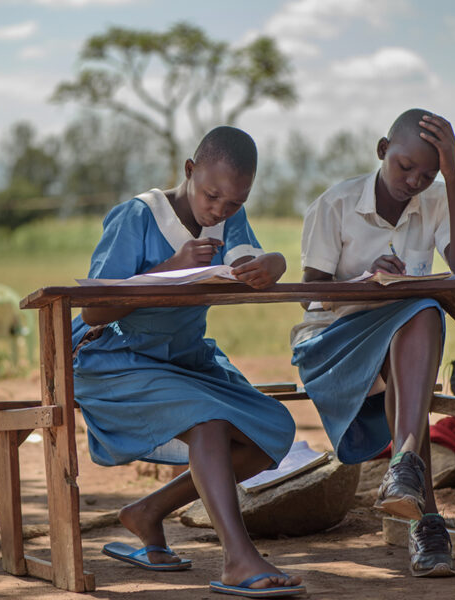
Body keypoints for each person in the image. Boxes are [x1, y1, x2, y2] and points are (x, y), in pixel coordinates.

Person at [73, 126, 305, 598]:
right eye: (211, 195)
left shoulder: (228, 221)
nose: (219, 209)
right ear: (189, 170)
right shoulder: (137, 216)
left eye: (235, 203)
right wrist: (166, 271)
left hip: (185, 362)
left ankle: (147, 512)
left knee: (270, 433)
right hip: (114, 357)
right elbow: (94, 310)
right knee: (209, 420)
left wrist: (274, 263)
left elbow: (248, 257)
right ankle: (238, 559)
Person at [290, 109, 455, 578]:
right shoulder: (334, 205)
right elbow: (309, 296)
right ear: (381, 150)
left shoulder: (436, 200)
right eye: (404, 167)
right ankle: (424, 511)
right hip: (334, 345)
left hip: (402, 346)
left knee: (419, 312)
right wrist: (363, 282)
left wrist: (453, 173)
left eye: (429, 173)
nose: (415, 180)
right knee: (420, 313)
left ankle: (407, 477)